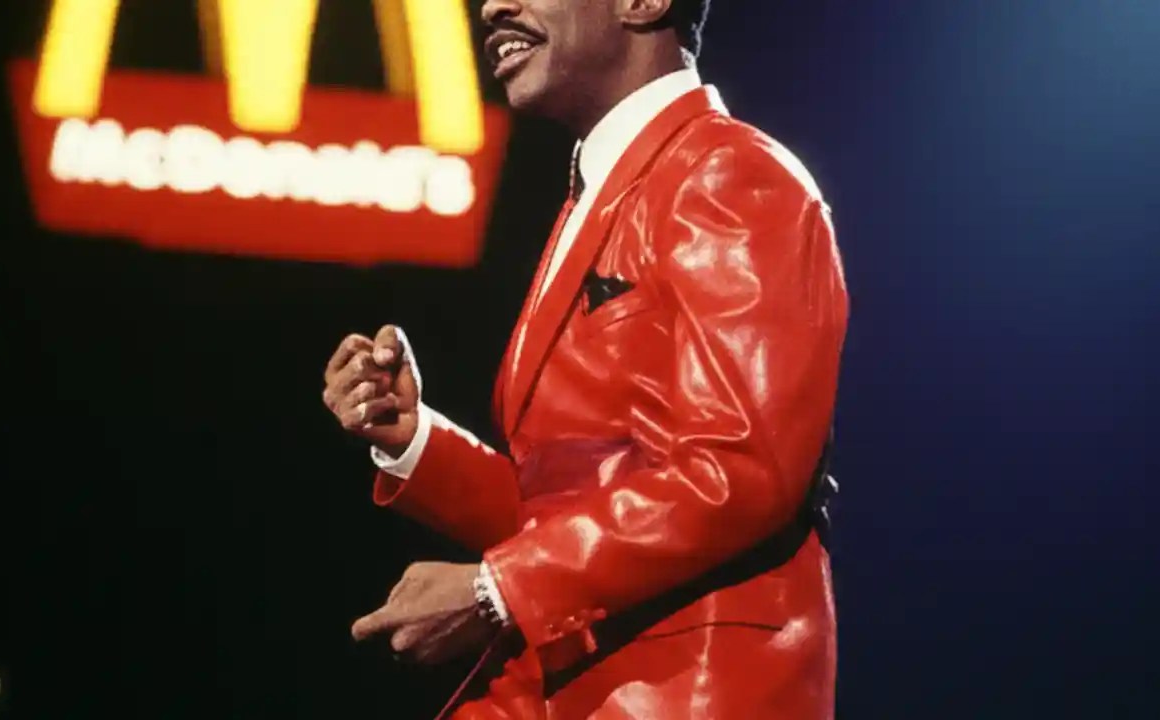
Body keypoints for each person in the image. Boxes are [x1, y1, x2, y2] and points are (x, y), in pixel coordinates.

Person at [320, 0, 849, 716]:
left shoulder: (729, 172)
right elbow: (573, 508)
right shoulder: (596, 191)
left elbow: (740, 470)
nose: (492, 7)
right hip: (579, 683)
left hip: (688, 690)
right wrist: (416, 440)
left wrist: (496, 589)